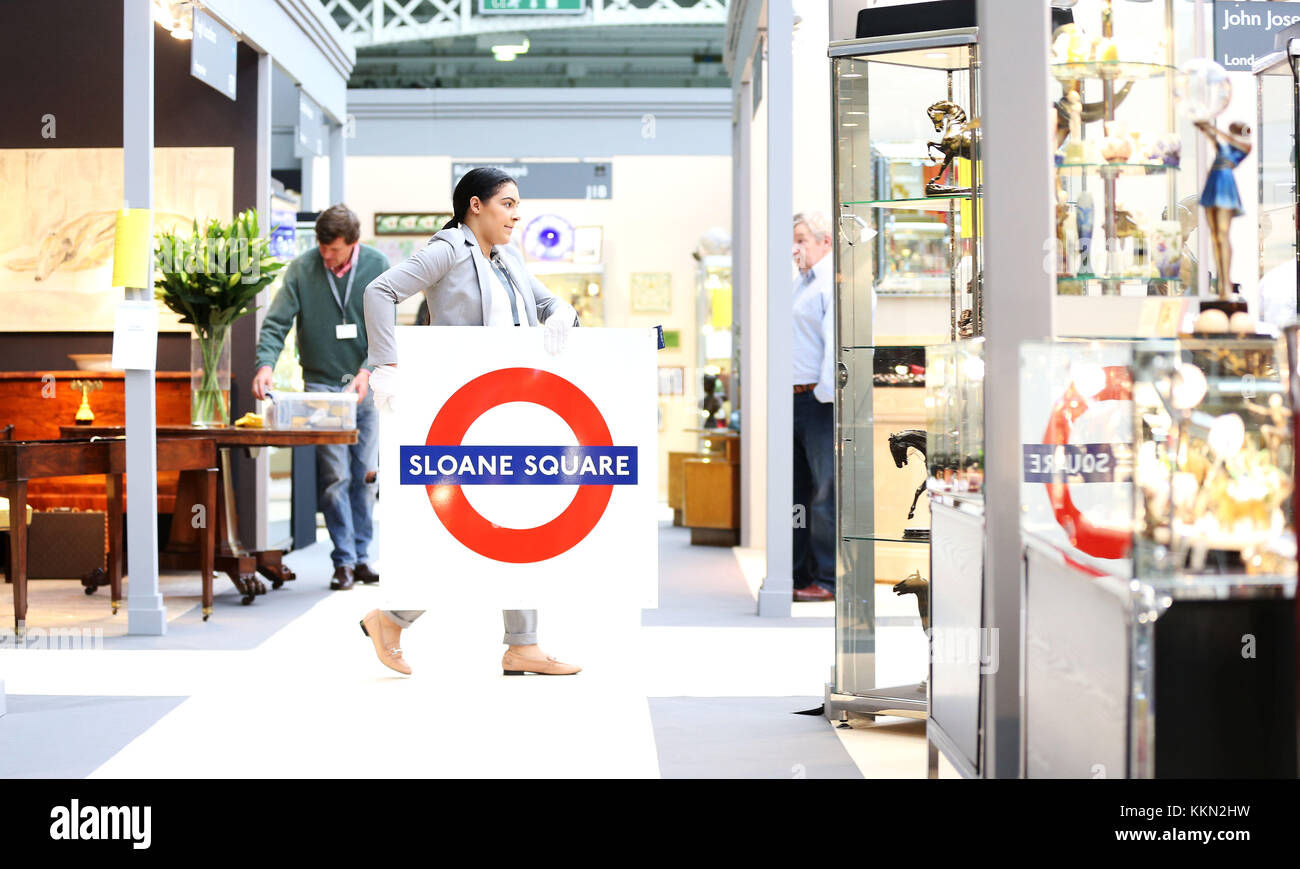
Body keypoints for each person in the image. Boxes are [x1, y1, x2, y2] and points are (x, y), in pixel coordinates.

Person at [359, 167, 581, 677]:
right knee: (471, 525)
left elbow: (548, 302)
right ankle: (394, 619)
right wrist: (386, 363)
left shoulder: (508, 258)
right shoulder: (449, 249)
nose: (517, 215)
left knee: (516, 520)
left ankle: (519, 643)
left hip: (510, 409)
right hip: (464, 414)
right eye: (508, 204)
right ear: (475, 205)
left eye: (518, 205)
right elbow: (379, 292)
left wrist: (560, 313)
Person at [253, 204, 389, 592]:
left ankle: (362, 557)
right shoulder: (302, 268)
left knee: (364, 475)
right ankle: (343, 560)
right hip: (322, 387)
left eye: (335, 250)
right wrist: (265, 364)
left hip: (366, 382)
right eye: (322, 248)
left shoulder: (377, 265)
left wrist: (367, 371)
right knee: (335, 477)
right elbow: (276, 323)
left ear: (353, 243)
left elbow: (387, 329)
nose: (327, 256)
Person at [791, 212, 836, 603]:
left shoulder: (832, 285)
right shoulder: (799, 286)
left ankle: (828, 578)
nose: (795, 248)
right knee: (798, 494)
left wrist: (824, 396)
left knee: (824, 494)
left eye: (802, 239)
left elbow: (835, 345)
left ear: (826, 242)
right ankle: (800, 573)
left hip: (818, 403)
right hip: (793, 401)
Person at [1194, 119, 1252, 298]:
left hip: (1225, 183)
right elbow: (1216, 141)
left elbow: (1230, 140)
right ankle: (1221, 284)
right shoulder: (1226, 146)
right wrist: (1205, 129)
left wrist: (1213, 128)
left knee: (1223, 234)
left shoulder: (1244, 146)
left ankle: (1226, 283)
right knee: (1215, 236)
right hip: (1214, 180)